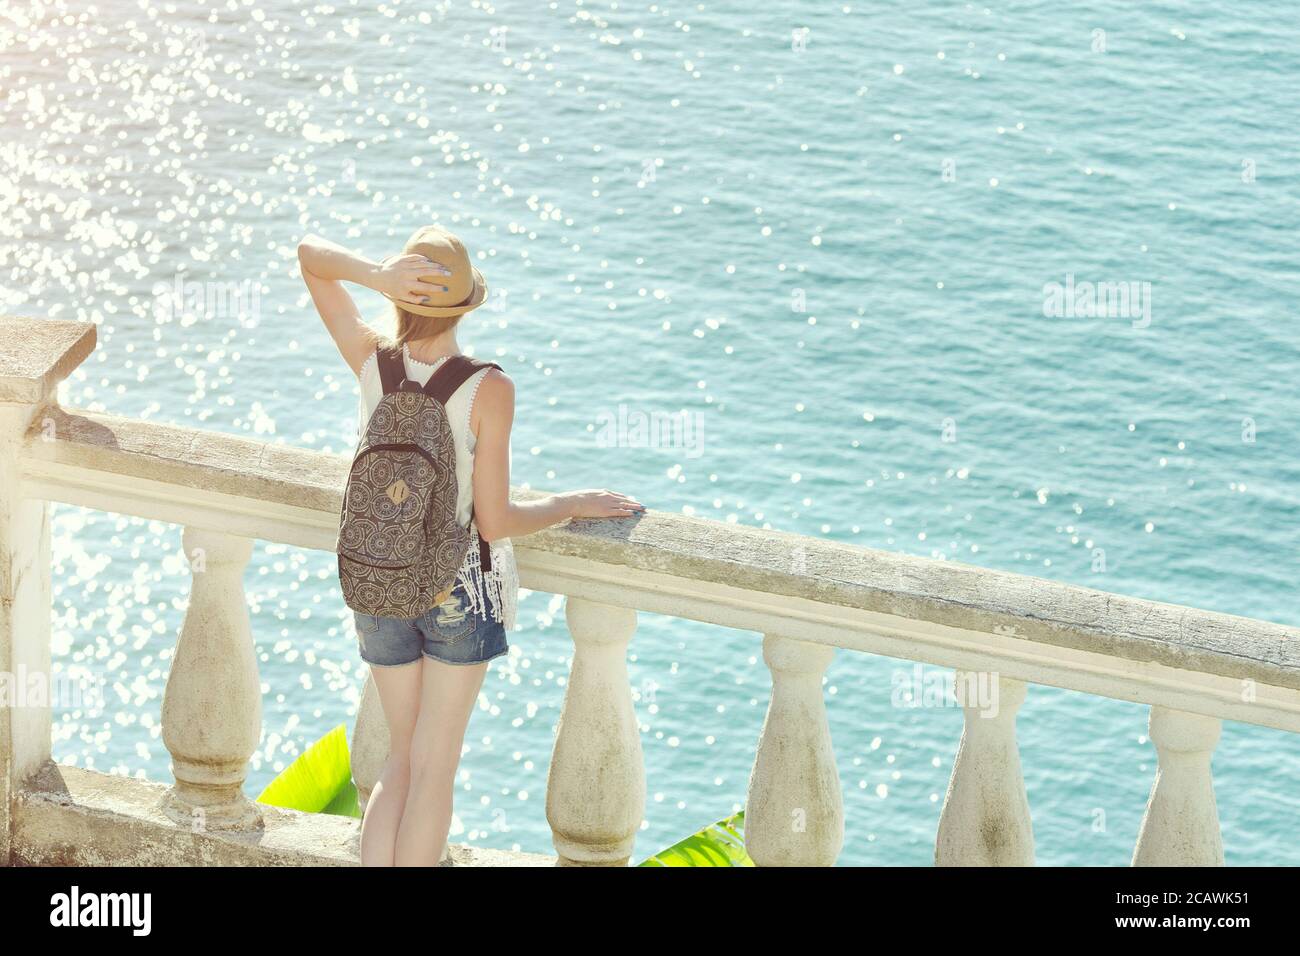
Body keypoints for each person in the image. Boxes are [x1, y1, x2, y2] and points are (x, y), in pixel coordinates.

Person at [298, 223, 645, 866]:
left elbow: (310, 259)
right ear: (466, 305)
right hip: (455, 588)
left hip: (378, 577)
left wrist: (374, 275)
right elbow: (494, 520)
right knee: (434, 768)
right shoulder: (488, 388)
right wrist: (570, 503)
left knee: (398, 760)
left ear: (400, 297)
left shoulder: (370, 359)